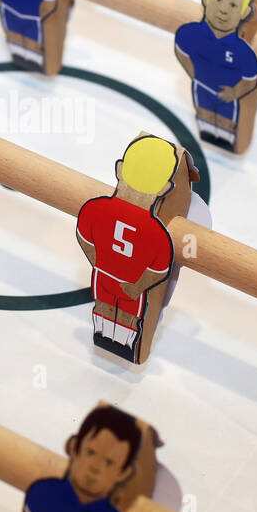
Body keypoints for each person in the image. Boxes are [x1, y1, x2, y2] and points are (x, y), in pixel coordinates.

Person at [76, 135, 176, 362]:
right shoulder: (158, 233)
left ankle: (110, 339)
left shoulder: (95, 208)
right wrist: (137, 286)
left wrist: (99, 262)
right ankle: (119, 343)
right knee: (125, 316)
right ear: (165, 188)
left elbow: (85, 237)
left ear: (120, 170)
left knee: (106, 309)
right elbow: (159, 269)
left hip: (107, 277)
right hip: (131, 284)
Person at [22, 405, 139, 512]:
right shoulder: (43, 494)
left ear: (123, 473)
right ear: (73, 447)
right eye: (91, 452)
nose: (95, 467)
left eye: (109, 463)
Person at [174, 0, 257, 150]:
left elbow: (250, 79)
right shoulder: (190, 33)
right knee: (204, 115)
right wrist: (194, 74)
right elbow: (182, 51)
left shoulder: (242, 51)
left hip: (227, 99)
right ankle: (208, 134)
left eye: (233, 5)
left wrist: (234, 93)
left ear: (244, 12)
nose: (223, 10)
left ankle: (224, 140)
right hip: (202, 90)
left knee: (225, 123)